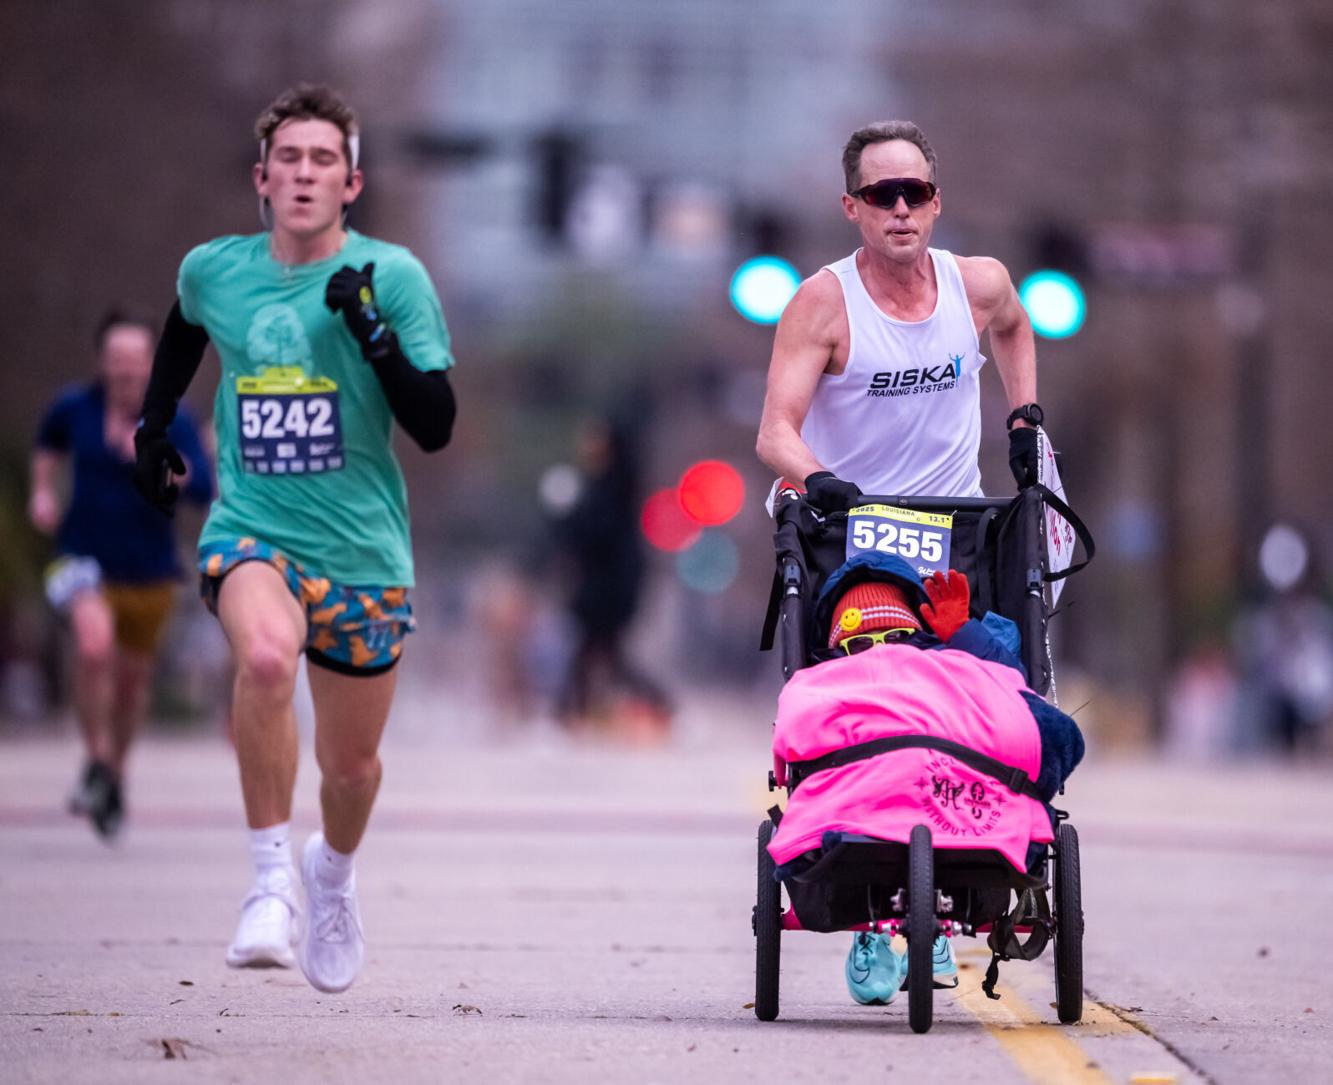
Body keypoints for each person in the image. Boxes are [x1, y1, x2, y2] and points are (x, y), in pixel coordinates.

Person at [132, 84, 457, 992]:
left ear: (351, 183)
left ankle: (332, 873)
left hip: (362, 552)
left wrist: (368, 329)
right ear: (261, 178)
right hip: (251, 529)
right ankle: (269, 881)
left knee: (349, 769)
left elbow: (433, 424)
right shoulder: (215, 269)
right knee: (267, 661)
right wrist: (154, 426)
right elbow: (184, 328)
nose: (304, 174)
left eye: (324, 161)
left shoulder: (391, 277)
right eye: (290, 159)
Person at [755, 120, 1043, 1002]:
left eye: (914, 191)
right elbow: (773, 431)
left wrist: (1023, 418)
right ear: (851, 208)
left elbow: (1016, 325)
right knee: (880, 701)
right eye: (881, 195)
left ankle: (985, 856)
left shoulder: (976, 283)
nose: (900, 208)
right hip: (857, 542)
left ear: (936, 199)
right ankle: (876, 903)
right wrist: (821, 481)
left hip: (957, 534)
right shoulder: (821, 304)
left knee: (992, 686)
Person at [767, 553, 1083, 1005]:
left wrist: (964, 636)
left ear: (919, 635)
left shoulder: (951, 660)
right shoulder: (823, 678)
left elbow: (1008, 688)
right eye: (862, 644)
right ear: (838, 651)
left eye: (897, 637)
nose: (882, 651)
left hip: (940, 782)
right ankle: (877, 931)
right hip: (885, 799)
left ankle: (926, 925)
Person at [30, 310, 214, 839]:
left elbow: (202, 488)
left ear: (152, 363)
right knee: (93, 647)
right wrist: (42, 491)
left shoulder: (174, 418)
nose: (126, 369)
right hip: (81, 557)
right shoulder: (74, 408)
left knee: (132, 686)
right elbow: (48, 444)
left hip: (150, 572)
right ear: (101, 362)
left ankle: (115, 772)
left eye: (136, 359)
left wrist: (165, 467)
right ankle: (96, 756)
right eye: (116, 359)